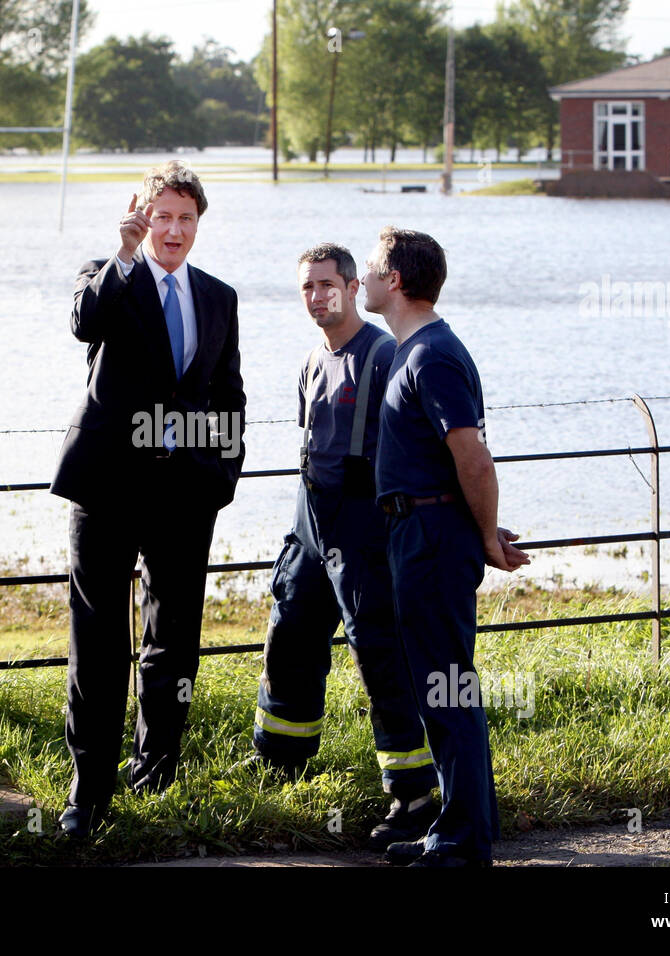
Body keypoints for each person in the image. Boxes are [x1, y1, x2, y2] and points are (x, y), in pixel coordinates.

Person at [50, 161, 246, 838]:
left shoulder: (219, 297)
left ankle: (156, 768)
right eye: (160, 216)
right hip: (106, 487)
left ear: (198, 223)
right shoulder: (107, 275)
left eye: (185, 218)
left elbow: (227, 394)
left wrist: (222, 475)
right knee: (99, 639)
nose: (173, 229)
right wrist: (123, 252)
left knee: (174, 639)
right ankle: (89, 791)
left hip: (186, 494)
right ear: (140, 216)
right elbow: (83, 323)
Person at [249, 243, 439, 850]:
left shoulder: (385, 356)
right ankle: (281, 762)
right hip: (309, 522)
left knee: (378, 651)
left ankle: (413, 794)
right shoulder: (310, 361)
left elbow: (422, 448)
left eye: (329, 284)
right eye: (307, 286)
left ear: (355, 287)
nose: (318, 296)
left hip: (364, 525)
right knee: (290, 633)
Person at [363, 226, 530, 868]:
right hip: (424, 531)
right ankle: (460, 830)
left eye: (371, 270)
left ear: (395, 281)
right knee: (444, 686)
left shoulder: (431, 354)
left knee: (449, 687)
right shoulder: (418, 350)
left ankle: (463, 842)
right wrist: (473, 527)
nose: (363, 282)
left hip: (432, 538)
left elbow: (473, 457)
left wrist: (484, 535)